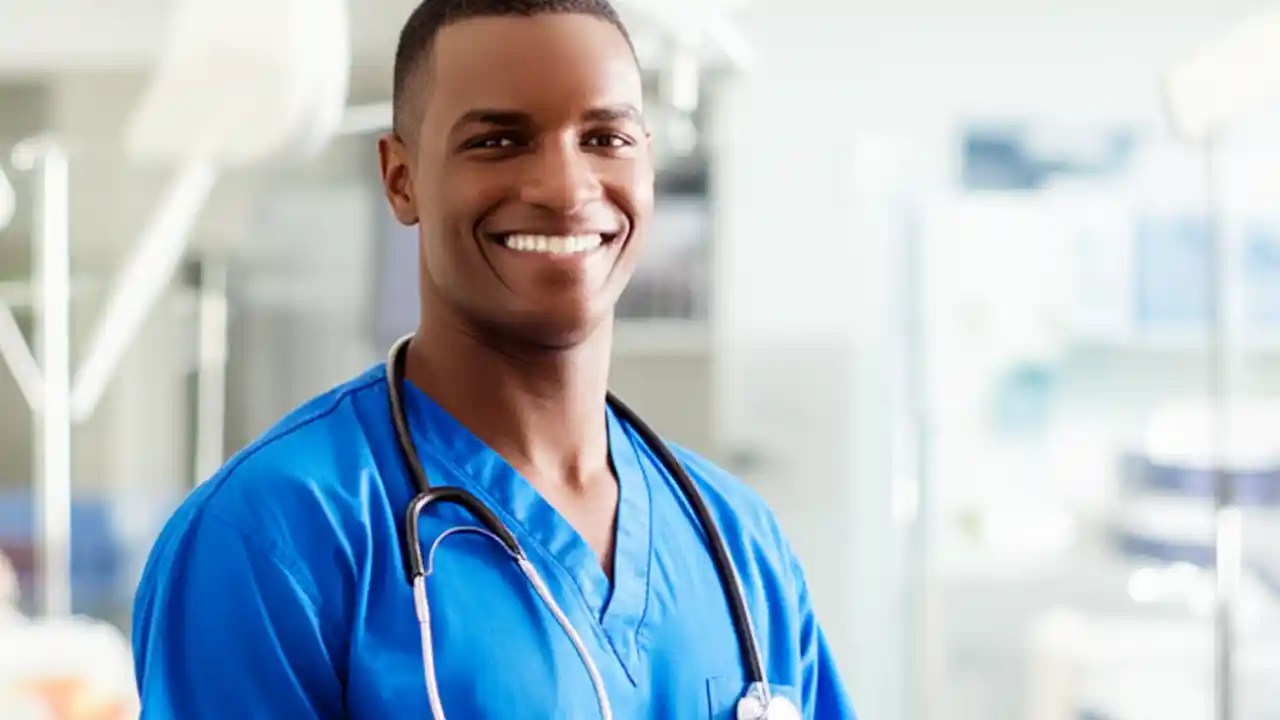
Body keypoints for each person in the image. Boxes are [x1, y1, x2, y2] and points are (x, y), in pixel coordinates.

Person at [130, 0, 856, 717]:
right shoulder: (272, 538)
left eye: (606, 138)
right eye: (498, 143)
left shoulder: (738, 544)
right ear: (400, 178)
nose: (566, 189)